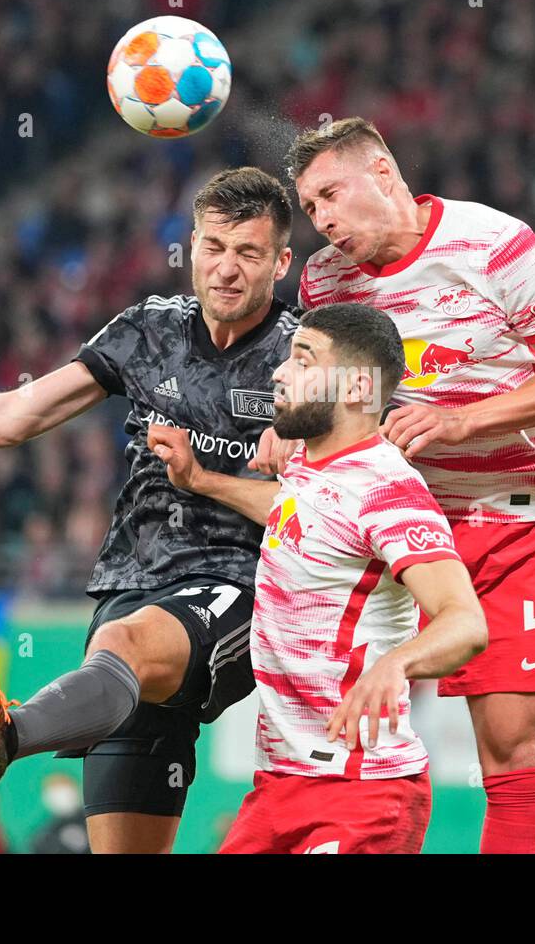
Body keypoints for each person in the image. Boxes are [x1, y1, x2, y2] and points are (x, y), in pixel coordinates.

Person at [0, 167, 298, 853]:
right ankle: (31, 722)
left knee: (128, 646)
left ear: (281, 261)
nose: (226, 269)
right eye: (213, 247)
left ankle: (6, 732)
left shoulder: (303, 358)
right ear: (192, 246)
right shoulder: (148, 331)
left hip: (237, 588)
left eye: (249, 253)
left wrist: (212, 477)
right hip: (127, 588)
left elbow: (327, 507)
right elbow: (13, 414)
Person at [261, 117, 535, 852]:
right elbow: (326, 393)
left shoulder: (496, 247)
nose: (322, 219)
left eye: (331, 194)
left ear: (384, 173)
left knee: (514, 750)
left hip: (500, 521)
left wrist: (464, 423)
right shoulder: (327, 280)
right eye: (311, 206)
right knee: (321, 743)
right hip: (375, 529)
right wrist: (288, 428)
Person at [149, 302, 487, 852]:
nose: (280, 373)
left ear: (356, 387)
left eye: (303, 361)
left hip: (362, 791)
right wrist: (203, 481)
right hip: (280, 785)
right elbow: (295, 512)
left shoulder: (390, 493)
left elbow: (466, 622)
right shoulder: (311, 461)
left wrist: (396, 665)